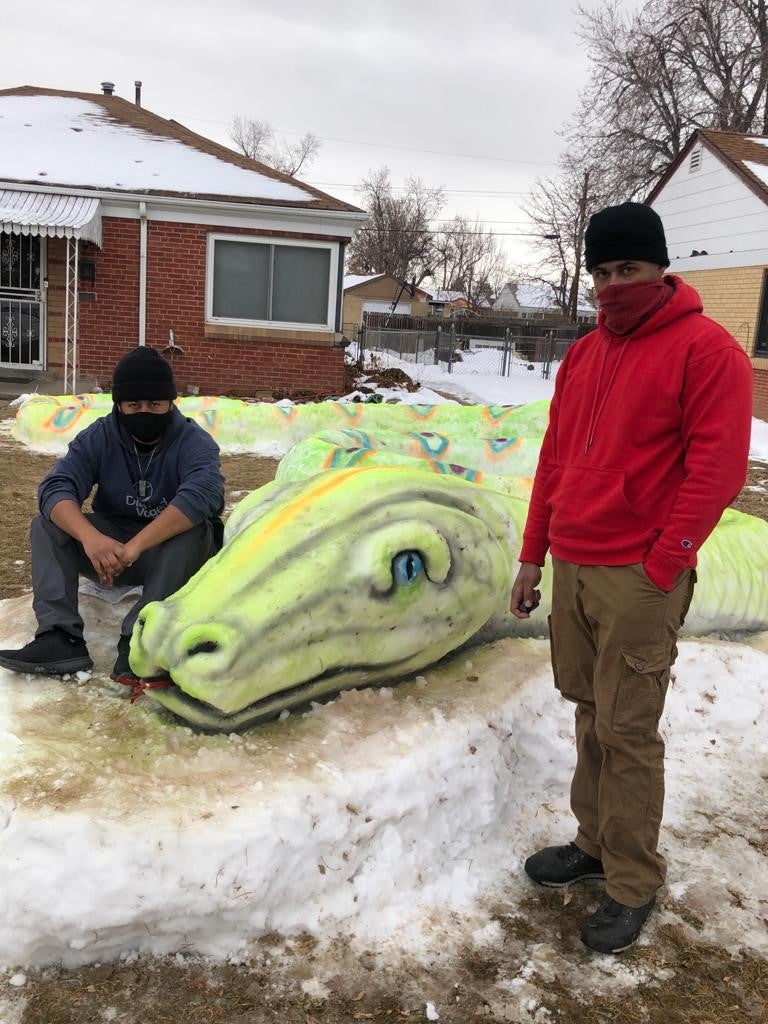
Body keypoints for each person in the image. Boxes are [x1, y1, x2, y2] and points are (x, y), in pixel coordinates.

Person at [509, 202, 753, 954]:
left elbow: (716, 470)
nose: (615, 286)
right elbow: (554, 459)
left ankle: (633, 880)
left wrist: (664, 562)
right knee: (589, 710)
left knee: (629, 729)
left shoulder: (707, 351)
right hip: (574, 562)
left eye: (630, 270)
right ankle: (594, 844)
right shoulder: (584, 354)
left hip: (638, 575)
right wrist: (532, 552)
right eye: (603, 273)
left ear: (660, 268)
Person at [0, 346, 224, 683]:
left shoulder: (194, 442)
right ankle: (60, 638)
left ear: (170, 402)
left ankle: (138, 641)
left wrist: (134, 546)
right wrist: (91, 539)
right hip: (108, 549)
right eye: (133, 405)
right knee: (47, 524)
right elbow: (56, 487)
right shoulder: (99, 436)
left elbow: (204, 495)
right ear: (119, 404)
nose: (144, 412)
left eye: (154, 404)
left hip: (167, 554)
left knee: (197, 529)